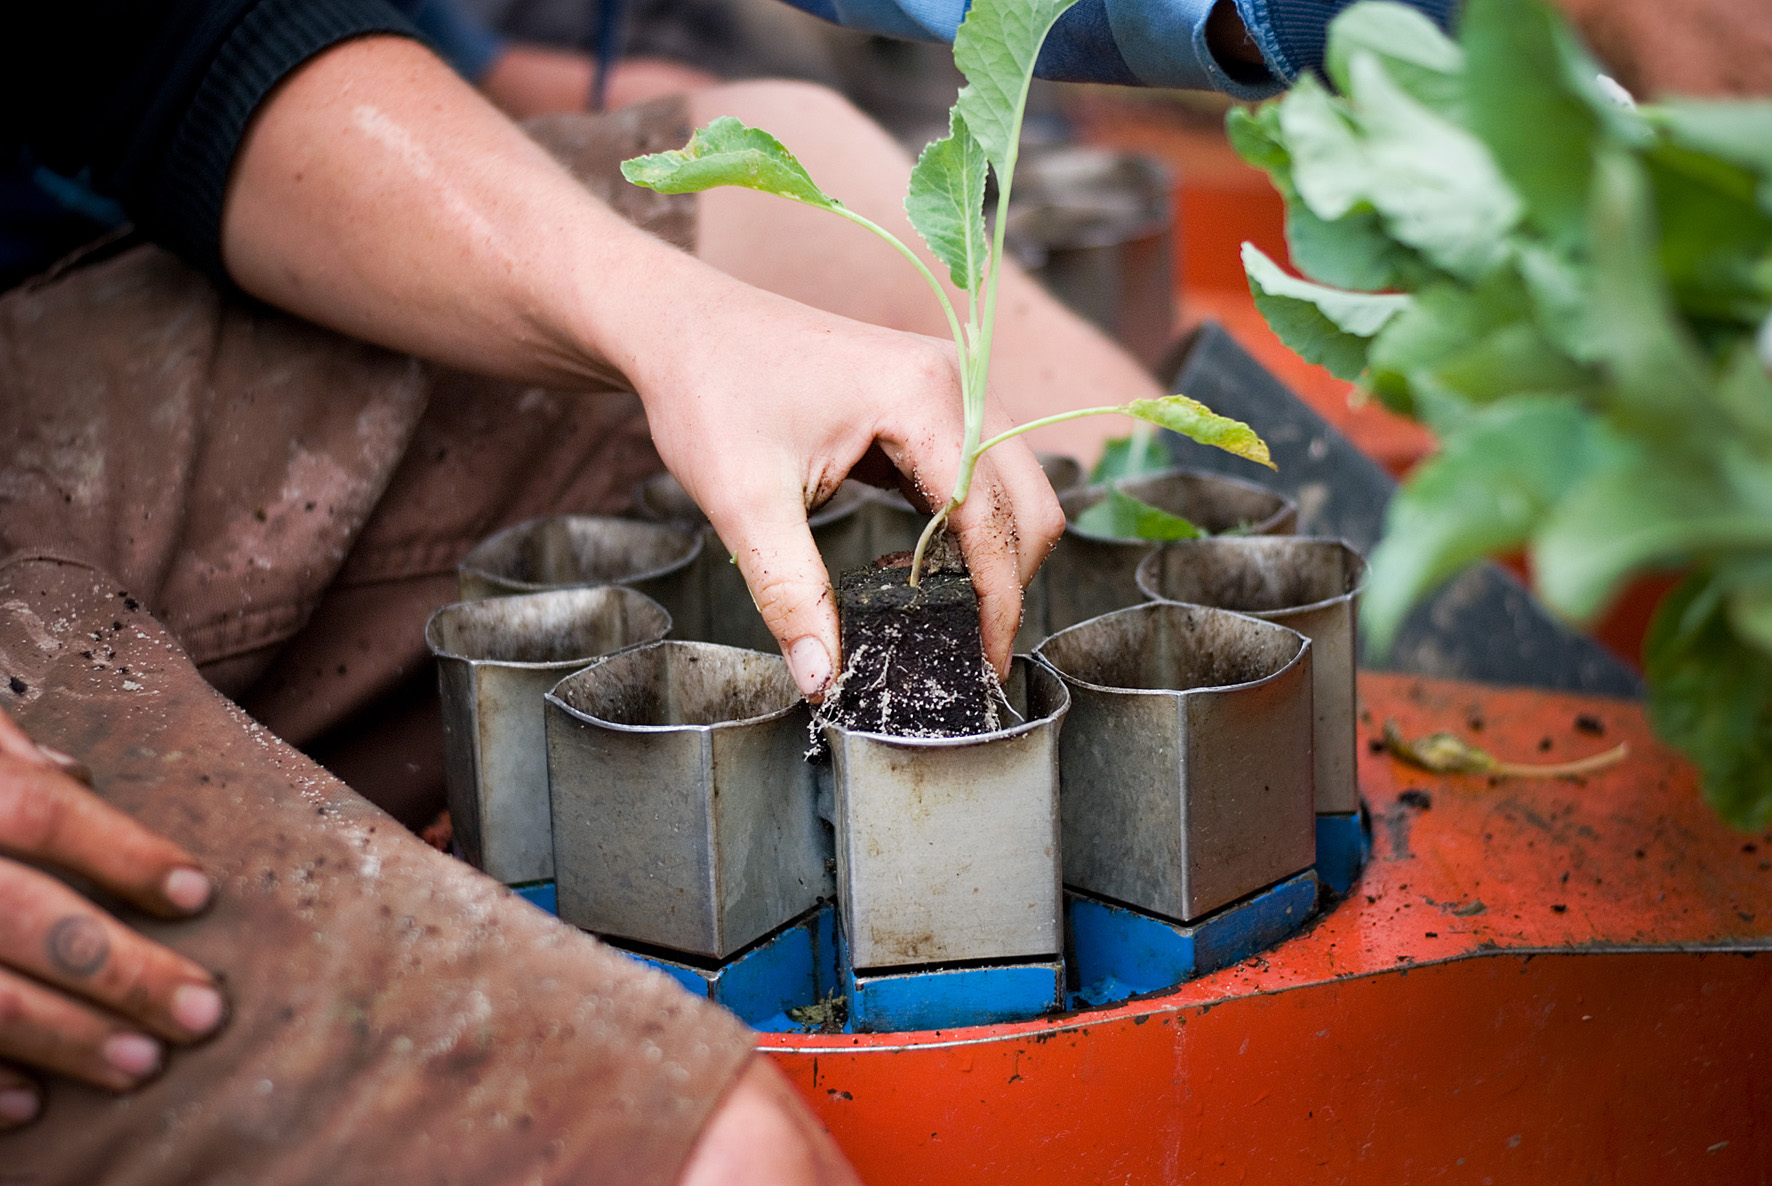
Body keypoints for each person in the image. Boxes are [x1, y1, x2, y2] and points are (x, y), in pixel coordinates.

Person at [0, 0, 1455, 1181]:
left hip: (48, 337)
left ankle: (1437, 728)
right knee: (719, 1157)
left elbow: (178, 51)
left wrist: (671, 323)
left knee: (813, 209)